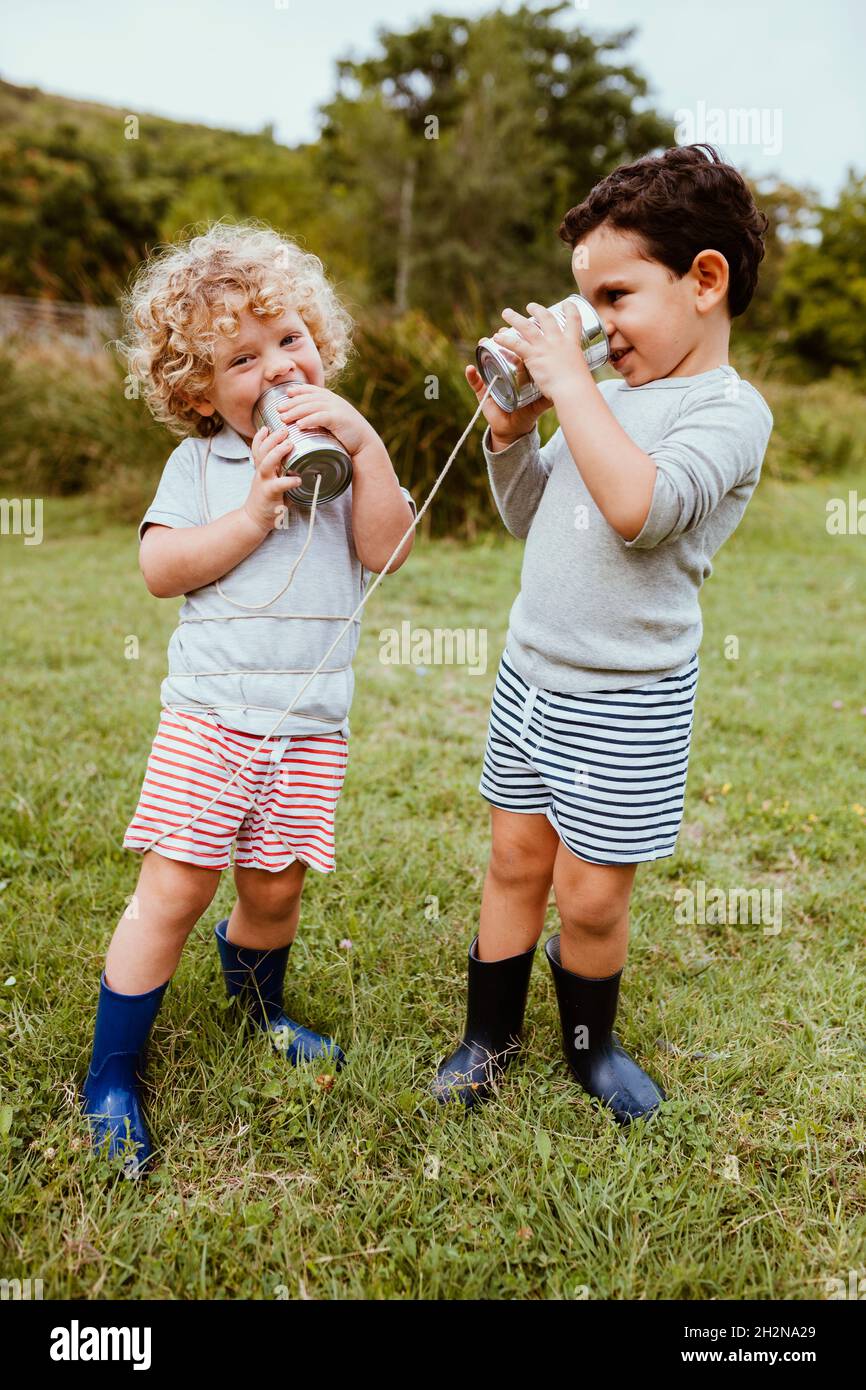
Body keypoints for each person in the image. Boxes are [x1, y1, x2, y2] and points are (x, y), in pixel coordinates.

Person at [434, 144, 774, 1123]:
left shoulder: (725, 411)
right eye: (584, 300)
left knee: (587, 895)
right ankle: (485, 1038)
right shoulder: (605, 393)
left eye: (614, 296)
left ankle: (590, 1045)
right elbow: (530, 510)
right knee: (512, 860)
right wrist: (509, 434)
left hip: (625, 697)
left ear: (702, 279)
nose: (595, 326)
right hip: (530, 672)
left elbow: (639, 507)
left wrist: (570, 390)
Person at [81, 221, 416, 1175]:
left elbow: (385, 550)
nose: (277, 367)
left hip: (308, 730)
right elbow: (159, 567)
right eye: (242, 357)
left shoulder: (344, 464)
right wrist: (253, 512)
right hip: (212, 722)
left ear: (321, 343)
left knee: (273, 890)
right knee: (175, 890)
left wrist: (367, 442)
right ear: (197, 390)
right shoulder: (203, 469)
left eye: (291, 339)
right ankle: (112, 1073)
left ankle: (262, 1010)